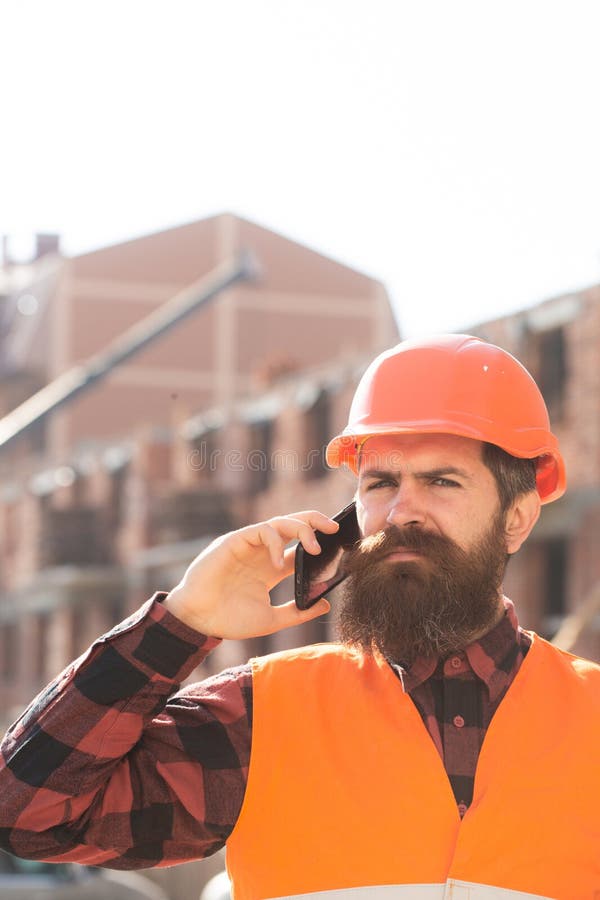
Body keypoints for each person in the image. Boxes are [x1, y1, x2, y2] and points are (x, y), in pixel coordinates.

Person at [0, 334, 598, 900]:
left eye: (442, 481)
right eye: (381, 482)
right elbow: (27, 814)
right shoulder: (262, 716)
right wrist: (181, 622)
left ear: (517, 518)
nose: (400, 511)